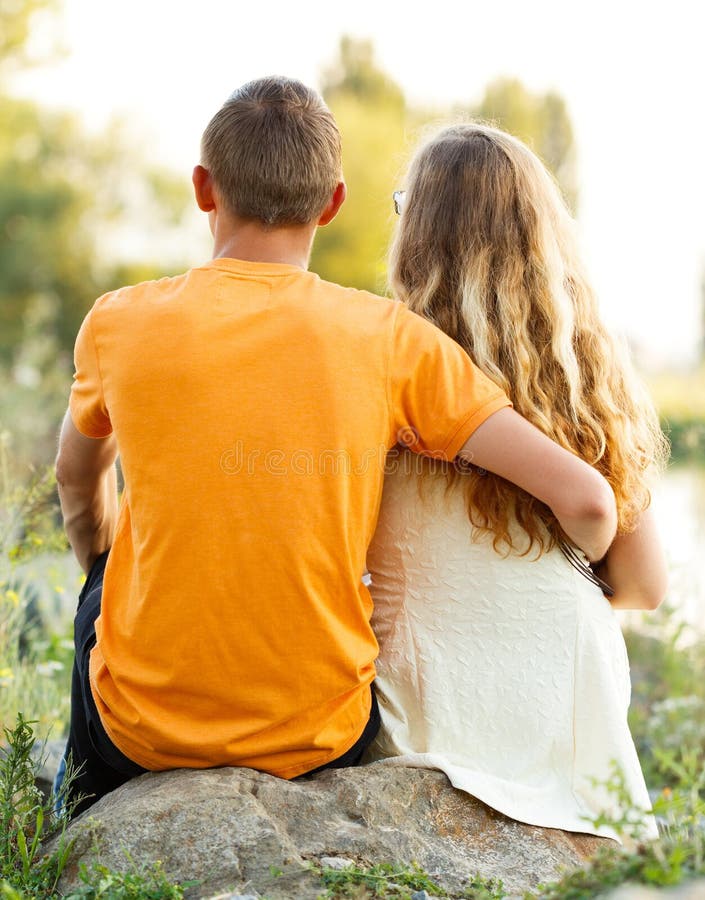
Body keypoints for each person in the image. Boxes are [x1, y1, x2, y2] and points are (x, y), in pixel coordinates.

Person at [54, 80, 618, 817]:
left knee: (107, 573)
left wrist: (102, 566)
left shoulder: (117, 322)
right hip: (319, 736)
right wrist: (587, 588)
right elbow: (584, 499)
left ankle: (74, 811)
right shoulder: (390, 339)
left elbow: (75, 481)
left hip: (142, 735)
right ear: (331, 202)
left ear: (202, 188)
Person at [365, 122, 669, 842]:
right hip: (567, 705)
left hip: (428, 700)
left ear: (415, 232)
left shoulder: (379, 359)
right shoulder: (586, 368)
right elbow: (644, 587)